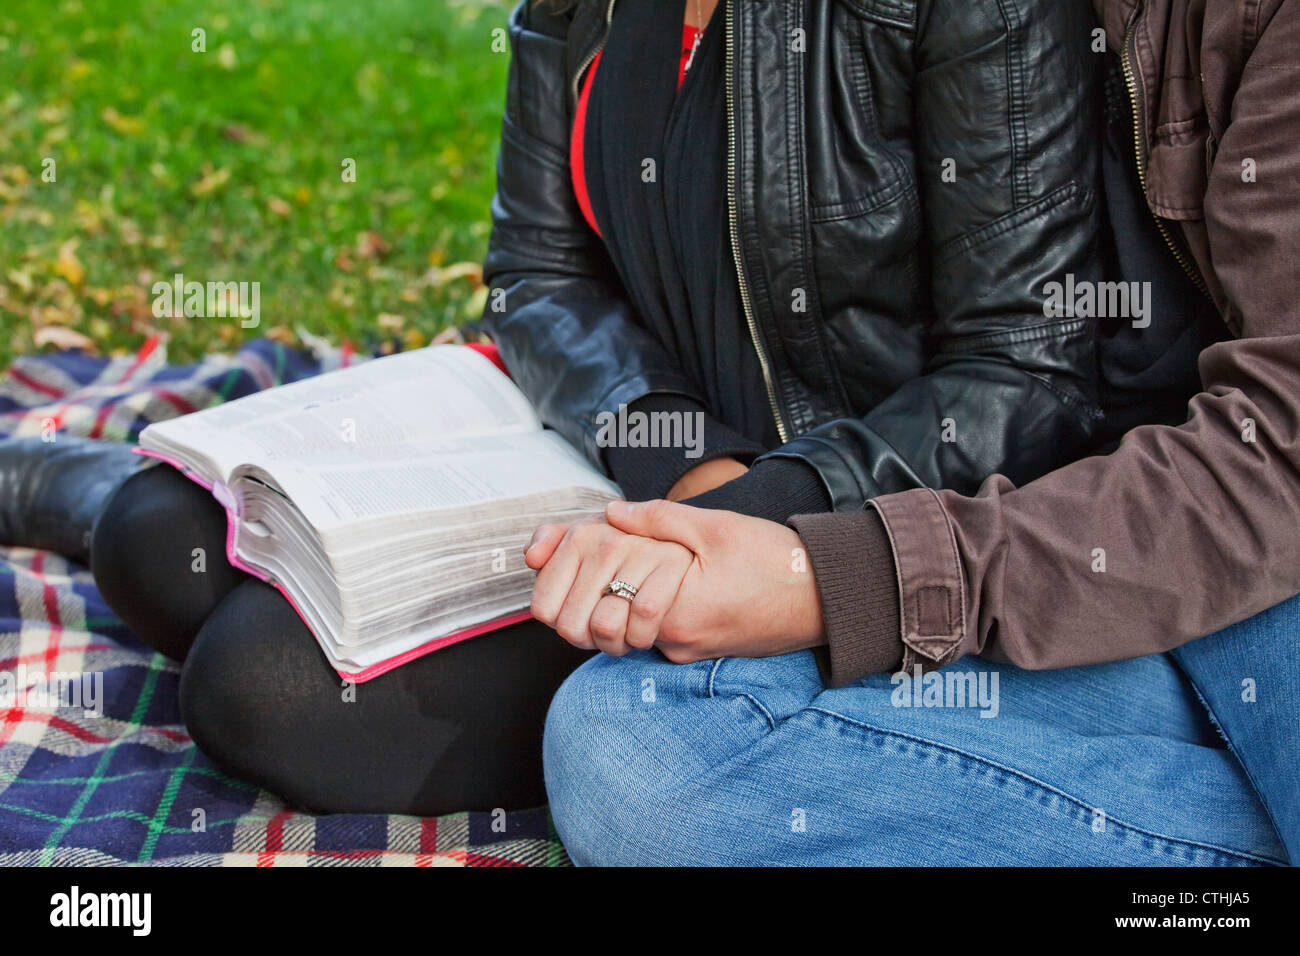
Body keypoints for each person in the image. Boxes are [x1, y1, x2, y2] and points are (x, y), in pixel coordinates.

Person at [3, 0, 1131, 818]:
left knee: (261, 686)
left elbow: (1028, 368)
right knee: (155, 536)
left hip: (838, 515)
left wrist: (761, 513)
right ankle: (125, 490)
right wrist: (680, 462)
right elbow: (538, 271)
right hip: (633, 460)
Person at [535, 0, 1300, 865]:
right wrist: (698, 473)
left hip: (1262, 551)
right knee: (630, 739)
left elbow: (1277, 456)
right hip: (1117, 542)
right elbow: (540, 266)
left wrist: (834, 576)